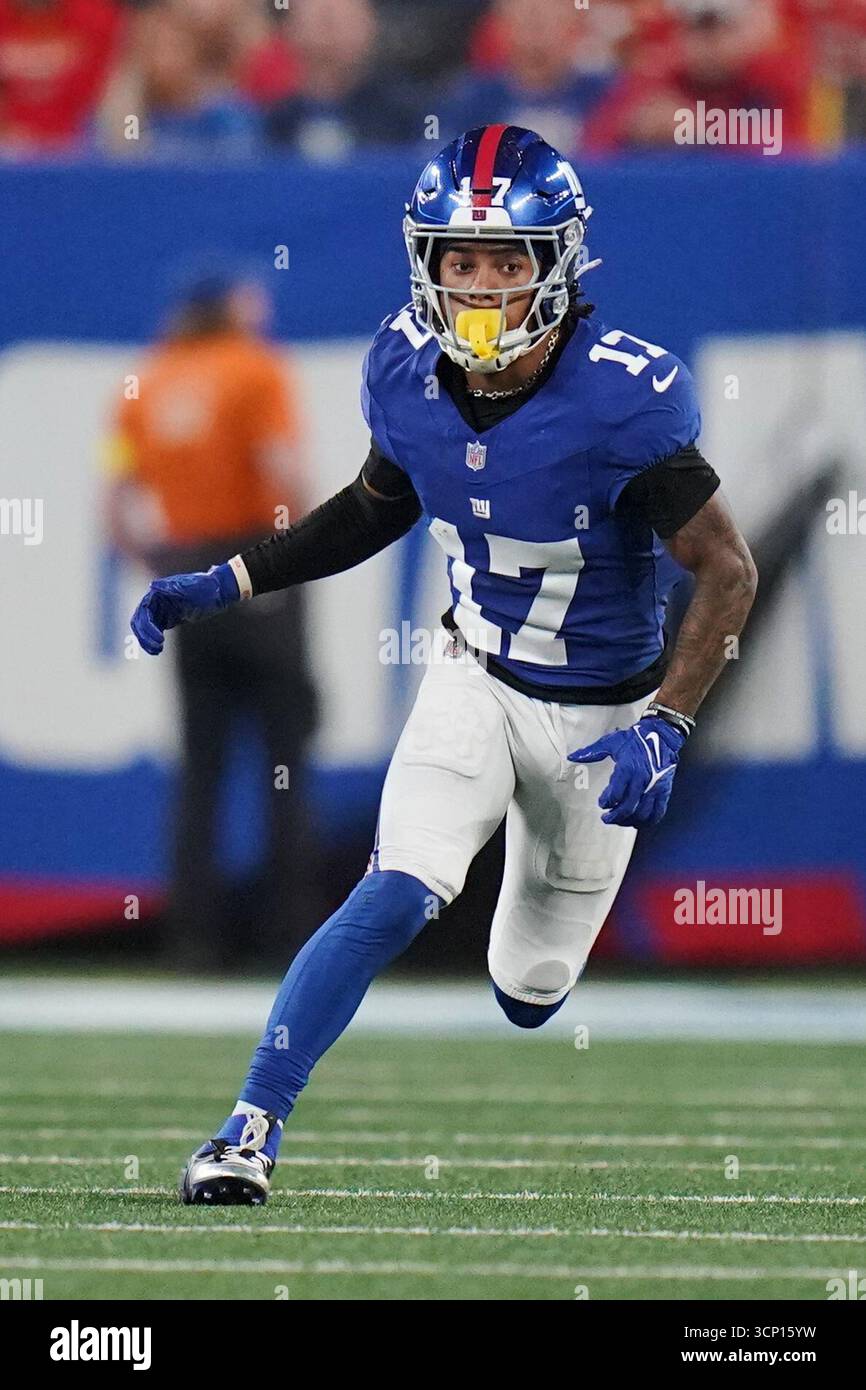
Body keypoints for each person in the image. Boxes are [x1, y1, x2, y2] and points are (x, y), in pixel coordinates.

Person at [131, 125, 757, 1204]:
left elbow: (728, 568)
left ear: (556, 262)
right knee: (398, 886)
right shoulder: (404, 369)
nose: (477, 285)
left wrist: (665, 721)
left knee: (528, 987)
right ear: (424, 259)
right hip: (474, 676)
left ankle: (532, 928)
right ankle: (247, 1129)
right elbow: (375, 507)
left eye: (505, 261)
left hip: (597, 721)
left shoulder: (621, 398)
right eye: (458, 260)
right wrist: (228, 579)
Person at [109, 271, 318, 972]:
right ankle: (291, 936)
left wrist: (160, 567)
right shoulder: (254, 371)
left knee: (202, 764)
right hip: (257, 562)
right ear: (227, 306)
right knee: (285, 757)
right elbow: (282, 471)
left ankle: (192, 938)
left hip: (187, 572)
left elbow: (115, 499)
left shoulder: (149, 379)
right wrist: (293, 558)